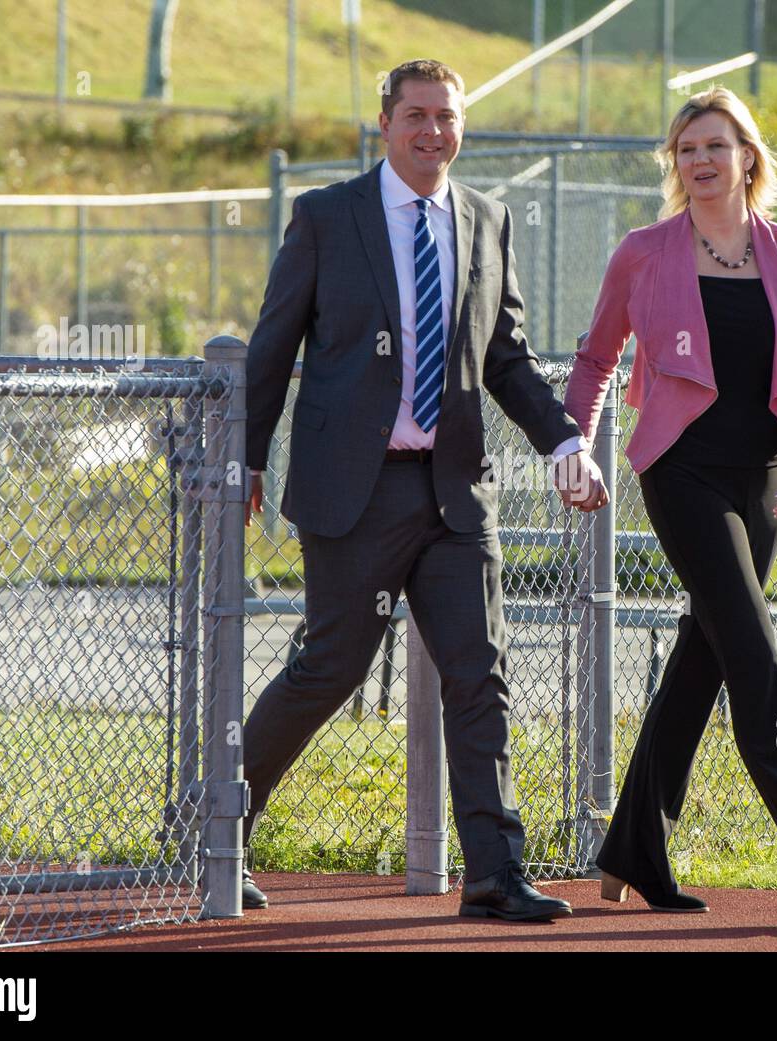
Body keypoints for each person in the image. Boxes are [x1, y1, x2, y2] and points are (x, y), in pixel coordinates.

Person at [241, 58, 607, 922]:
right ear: (385, 125)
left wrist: (563, 437)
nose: (433, 131)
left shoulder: (486, 219)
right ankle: (213, 831)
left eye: (447, 116)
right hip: (353, 494)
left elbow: (506, 359)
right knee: (328, 669)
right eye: (417, 115)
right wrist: (245, 459)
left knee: (481, 674)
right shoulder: (327, 217)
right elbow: (272, 345)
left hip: (454, 495)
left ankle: (494, 871)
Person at [560, 86, 777, 926]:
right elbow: (595, 361)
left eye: (715, 145)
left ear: (748, 157)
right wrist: (577, 448)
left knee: (700, 660)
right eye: (686, 148)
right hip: (682, 471)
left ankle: (633, 850)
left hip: (765, 475)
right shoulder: (645, 252)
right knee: (752, 651)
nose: (700, 160)